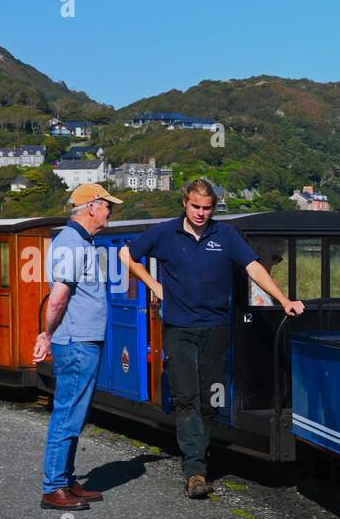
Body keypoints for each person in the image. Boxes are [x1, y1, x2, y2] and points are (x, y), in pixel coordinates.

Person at [120, 179, 304, 498]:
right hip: (179, 328)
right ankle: (195, 469)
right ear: (184, 204)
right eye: (195, 207)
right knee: (186, 396)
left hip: (215, 328)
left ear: (213, 208)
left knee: (208, 399)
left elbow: (255, 268)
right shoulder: (165, 233)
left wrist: (283, 299)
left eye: (207, 208)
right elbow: (127, 254)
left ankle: (199, 457)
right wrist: (154, 285)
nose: (201, 213)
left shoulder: (226, 235)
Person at [36, 182, 124, 510]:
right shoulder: (72, 244)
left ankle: (67, 480)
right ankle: (53, 486)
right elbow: (58, 298)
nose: (109, 212)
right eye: (106, 206)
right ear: (91, 207)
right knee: (68, 413)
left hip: (82, 340)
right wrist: (46, 334)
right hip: (76, 342)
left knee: (76, 412)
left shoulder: (78, 242)